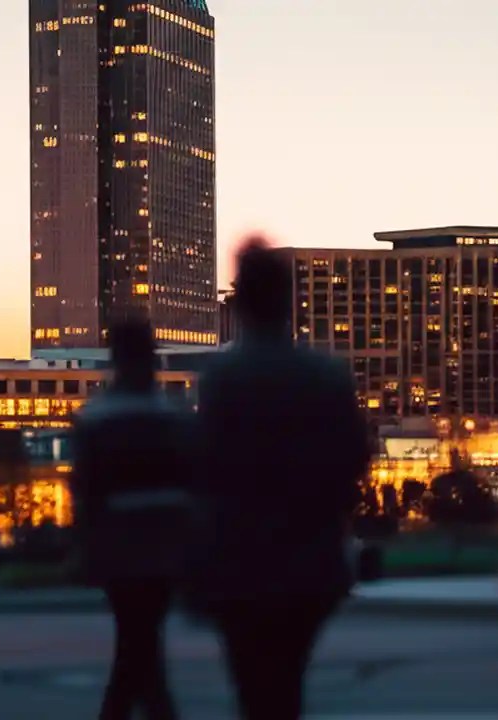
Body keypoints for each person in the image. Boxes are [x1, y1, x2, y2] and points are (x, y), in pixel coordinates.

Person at [193, 239, 372, 719]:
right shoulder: (325, 374)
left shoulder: (222, 379)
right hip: (308, 560)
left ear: (240, 303)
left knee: (252, 688)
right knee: (287, 683)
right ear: (288, 300)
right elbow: (354, 457)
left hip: (239, 561)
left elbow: (205, 468)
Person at [70, 319, 195, 720]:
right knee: (143, 642)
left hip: (117, 548)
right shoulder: (174, 417)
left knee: (135, 641)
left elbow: (85, 493)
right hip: (166, 546)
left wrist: (85, 549)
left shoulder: (96, 419)